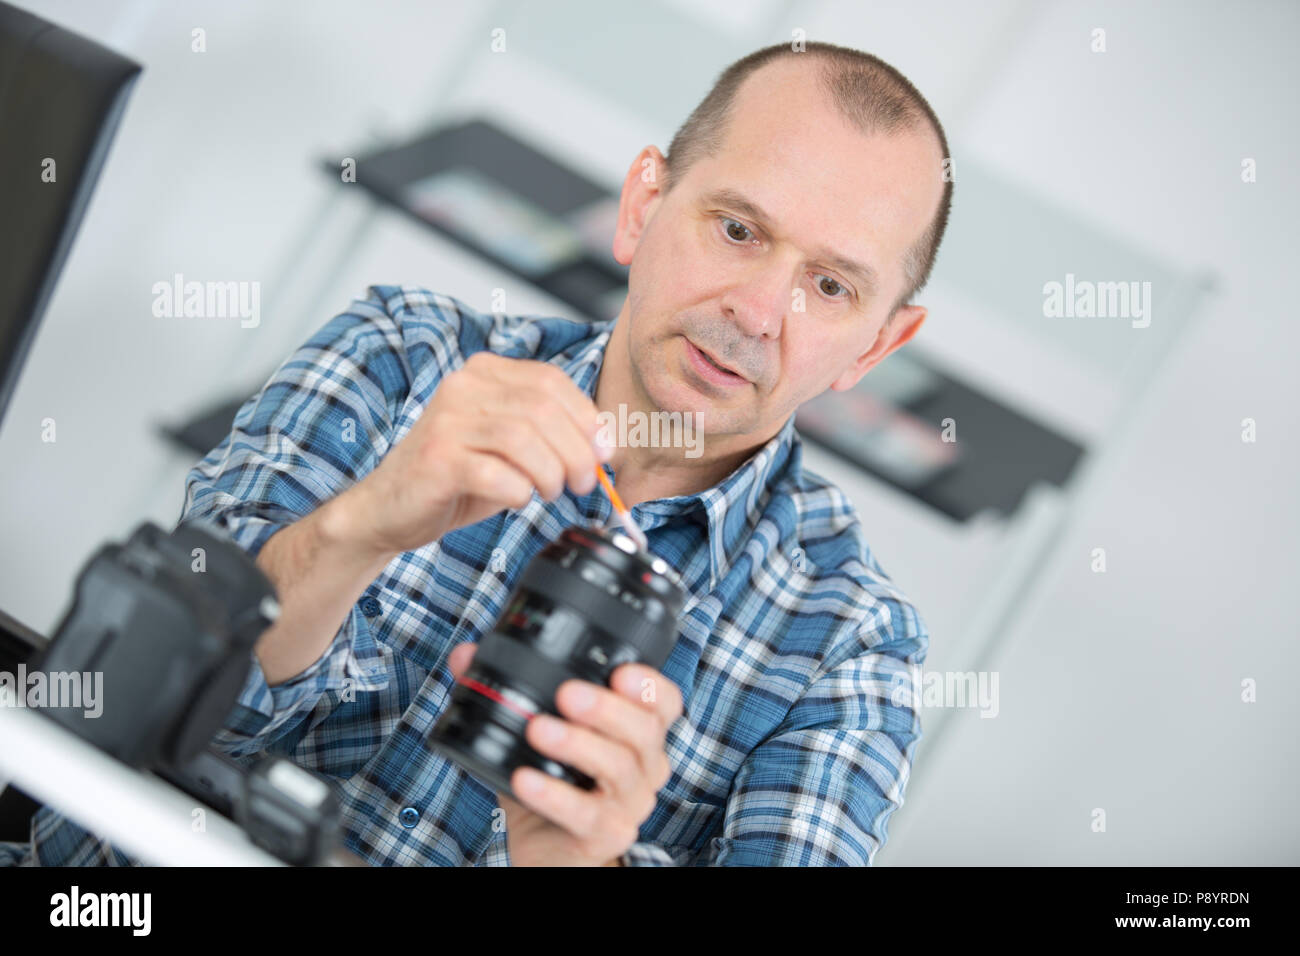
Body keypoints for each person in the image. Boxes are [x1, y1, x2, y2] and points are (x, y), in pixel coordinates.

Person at [2, 39, 951, 867]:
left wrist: (575, 860)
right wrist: (358, 528)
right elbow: (141, 709)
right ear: (642, 205)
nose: (756, 312)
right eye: (738, 229)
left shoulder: (850, 650)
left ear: (874, 347)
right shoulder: (402, 354)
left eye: (829, 287)